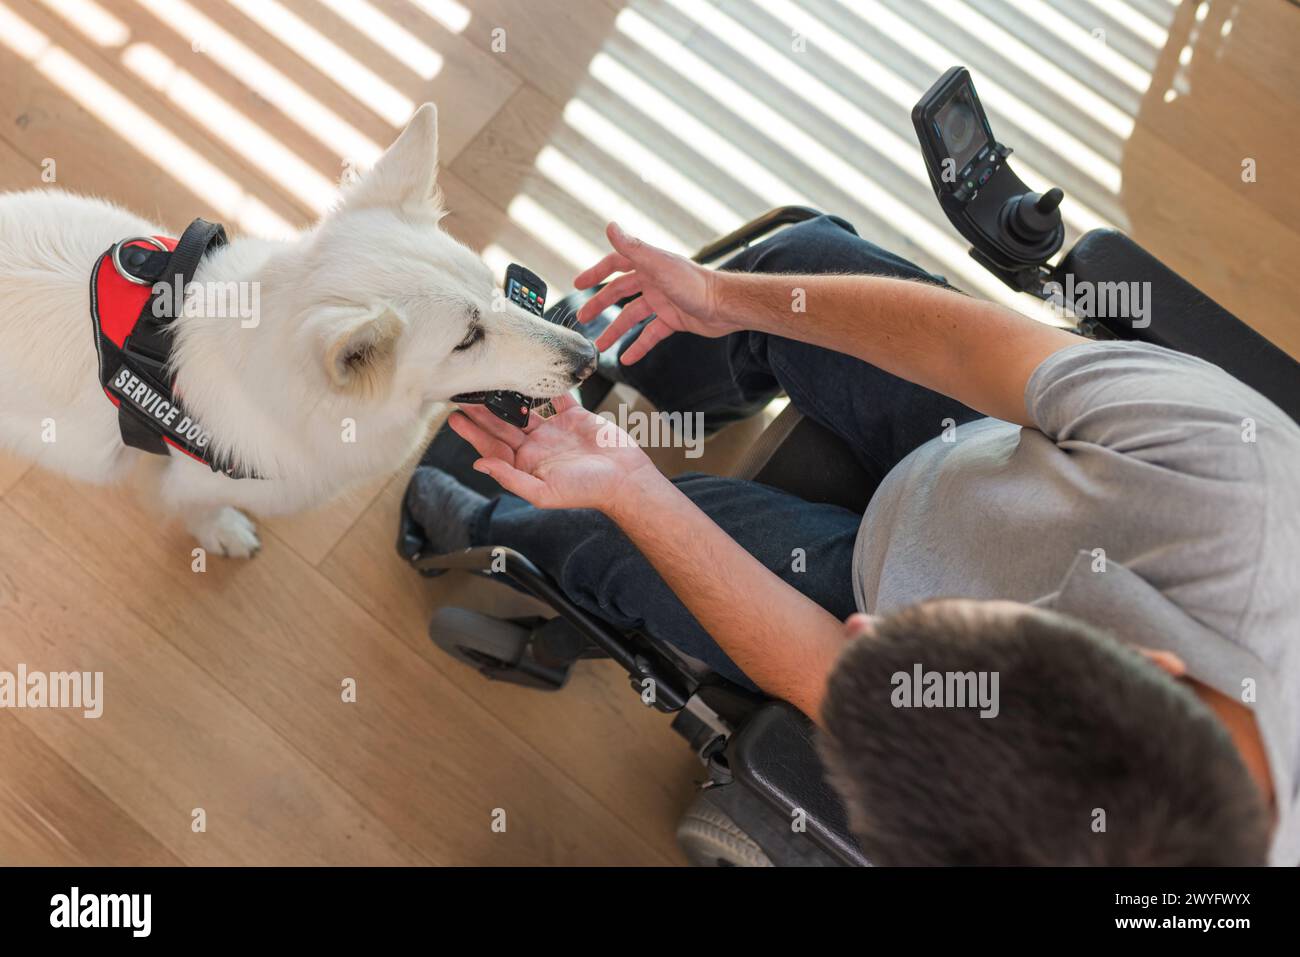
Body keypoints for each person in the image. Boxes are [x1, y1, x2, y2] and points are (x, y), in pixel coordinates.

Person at [407, 215, 1297, 865]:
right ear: (1158, 666)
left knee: (600, 531)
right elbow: (975, 353)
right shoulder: (1234, 481)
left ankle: (484, 523)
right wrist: (722, 298)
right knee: (794, 268)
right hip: (997, 453)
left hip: (893, 555)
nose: (869, 638)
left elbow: (835, 670)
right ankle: (647, 369)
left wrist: (631, 488)